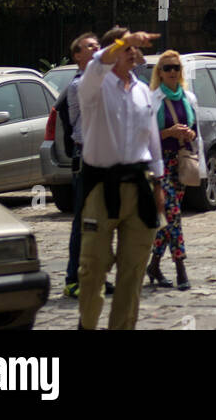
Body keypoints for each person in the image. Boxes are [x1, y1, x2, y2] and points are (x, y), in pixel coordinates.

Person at [76, 25, 163, 330]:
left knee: (133, 271)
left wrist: (159, 183)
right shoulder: (93, 85)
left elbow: (152, 140)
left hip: (138, 186)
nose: (129, 51)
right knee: (93, 268)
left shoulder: (142, 91)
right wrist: (122, 40)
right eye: (122, 47)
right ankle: (87, 325)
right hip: (101, 187)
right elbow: (97, 64)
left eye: (131, 47)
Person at [147, 49, 203, 291]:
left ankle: (154, 265)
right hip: (160, 163)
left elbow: (196, 131)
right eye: (167, 68)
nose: (172, 72)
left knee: (169, 217)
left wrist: (188, 133)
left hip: (181, 161)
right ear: (159, 72)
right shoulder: (154, 99)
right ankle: (181, 267)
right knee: (173, 214)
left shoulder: (188, 98)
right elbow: (146, 137)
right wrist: (168, 132)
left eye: (176, 68)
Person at [62, 31, 100, 298]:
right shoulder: (78, 85)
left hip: (106, 158)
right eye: (89, 46)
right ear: (77, 55)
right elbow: (79, 124)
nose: (96, 48)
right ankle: (73, 278)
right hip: (86, 157)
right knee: (82, 222)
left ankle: (98, 275)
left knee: (103, 221)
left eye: (97, 44)